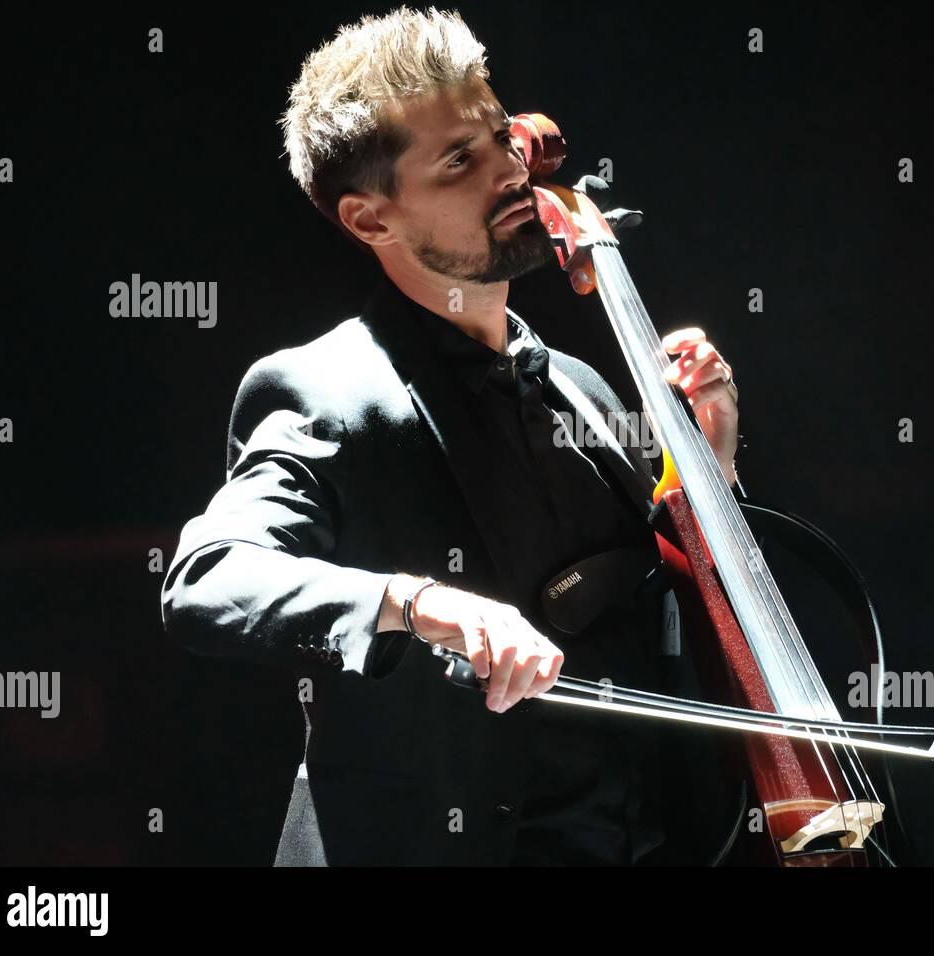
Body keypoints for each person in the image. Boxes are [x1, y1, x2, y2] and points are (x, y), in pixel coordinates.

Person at [161, 6, 747, 865]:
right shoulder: (323, 389)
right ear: (370, 220)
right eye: (458, 162)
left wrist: (712, 465)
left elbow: (663, 604)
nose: (512, 171)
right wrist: (419, 604)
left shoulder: (579, 389)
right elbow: (208, 580)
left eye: (500, 137)